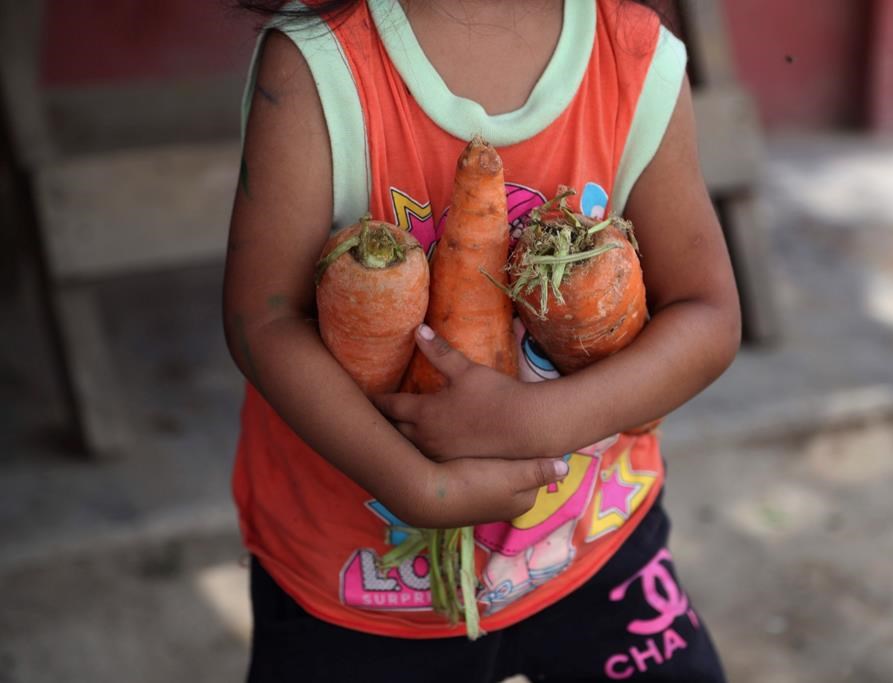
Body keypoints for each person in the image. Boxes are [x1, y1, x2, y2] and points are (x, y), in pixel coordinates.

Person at [224, 0, 740, 680]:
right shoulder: (317, 66)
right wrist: (413, 483)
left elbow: (707, 314)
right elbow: (262, 321)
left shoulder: (635, 59)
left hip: (591, 542)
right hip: (361, 579)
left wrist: (544, 419)